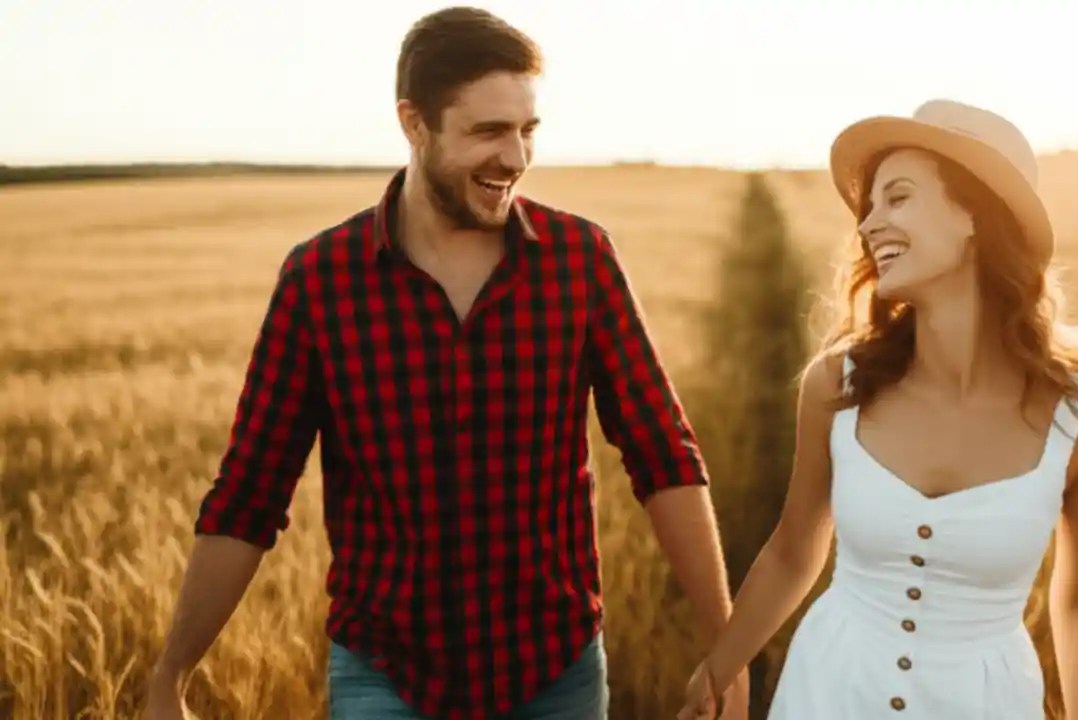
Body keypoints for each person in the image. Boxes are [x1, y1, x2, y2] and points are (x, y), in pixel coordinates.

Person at [141, 7, 749, 720]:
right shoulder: (321, 280)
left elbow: (662, 455)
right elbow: (249, 492)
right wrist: (171, 673)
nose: (516, 158)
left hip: (553, 672)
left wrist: (725, 646)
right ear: (414, 124)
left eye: (527, 131)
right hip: (386, 675)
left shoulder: (579, 261)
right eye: (488, 131)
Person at [678, 99, 1078, 719]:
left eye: (896, 198)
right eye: (868, 207)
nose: (869, 225)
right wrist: (719, 669)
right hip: (829, 692)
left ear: (975, 214)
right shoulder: (837, 384)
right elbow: (795, 548)